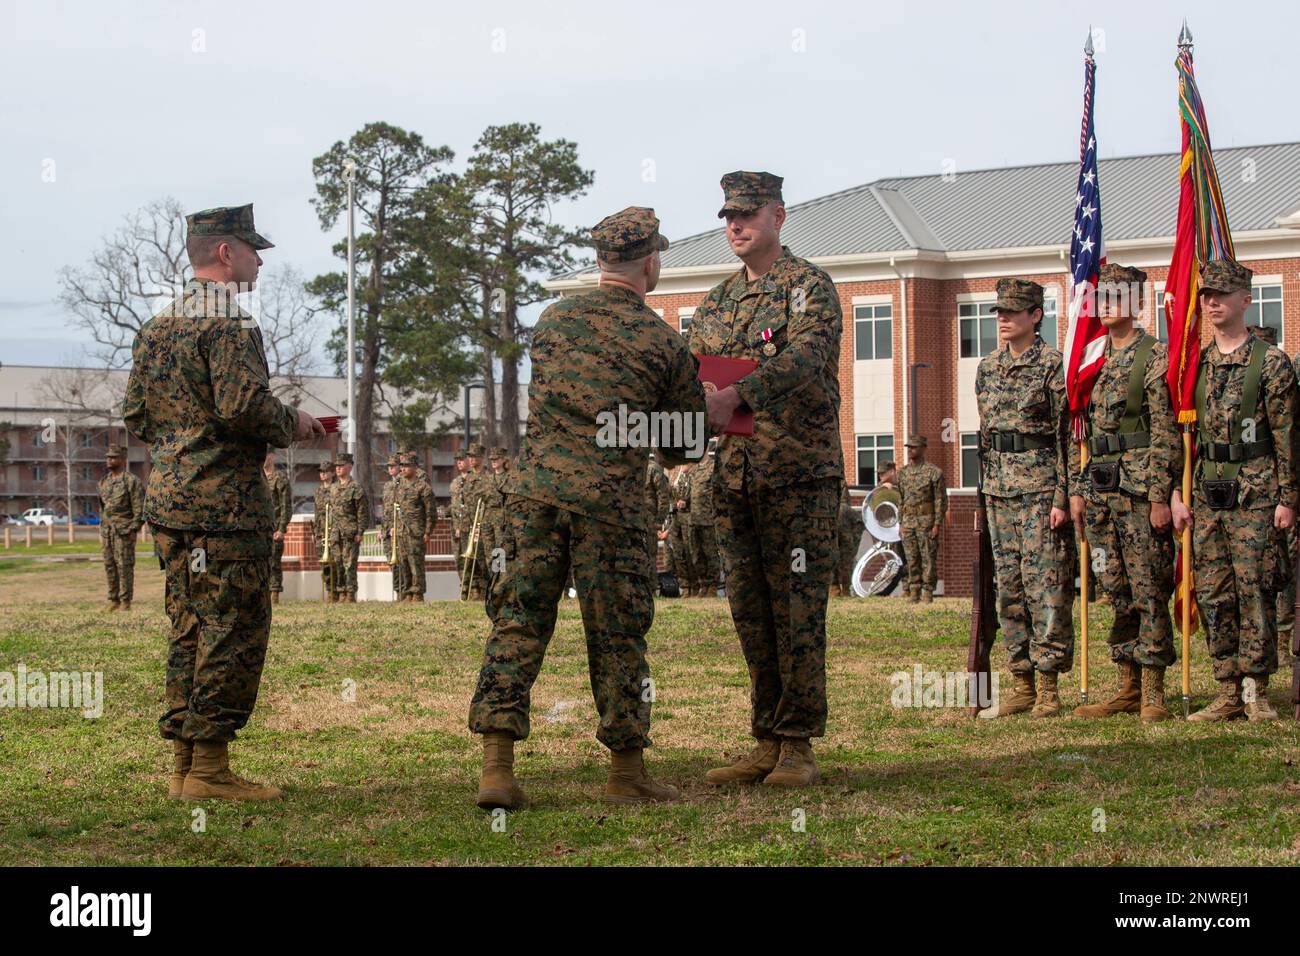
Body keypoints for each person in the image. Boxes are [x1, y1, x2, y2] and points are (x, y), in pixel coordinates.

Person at [468, 206, 706, 809]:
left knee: (518, 621)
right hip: (611, 504)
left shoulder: (551, 321)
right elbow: (681, 446)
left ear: (601, 261)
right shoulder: (662, 341)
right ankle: (626, 774)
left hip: (536, 495)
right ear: (651, 262)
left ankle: (497, 768)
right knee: (619, 635)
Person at [122, 202, 324, 800]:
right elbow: (244, 408)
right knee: (232, 626)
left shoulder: (159, 326)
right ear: (227, 253)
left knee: (188, 624)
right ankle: (210, 769)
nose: (260, 260)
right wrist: (298, 421)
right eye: (253, 249)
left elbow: (136, 416)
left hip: (170, 505)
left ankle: (185, 763)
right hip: (224, 508)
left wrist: (185, 438)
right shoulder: (229, 323)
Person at [689, 171, 843, 788]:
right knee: (751, 611)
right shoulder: (718, 301)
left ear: (779, 215)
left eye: (748, 214)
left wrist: (737, 392)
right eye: (728, 215)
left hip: (798, 476)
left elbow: (805, 360)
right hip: (735, 477)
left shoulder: (808, 287)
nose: (735, 225)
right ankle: (765, 739)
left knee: (797, 610)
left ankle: (798, 744)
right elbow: (698, 372)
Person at [1172, 259, 1299, 722]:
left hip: (1257, 492)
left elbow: (1287, 435)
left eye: (1222, 295)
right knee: (1214, 592)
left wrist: (1289, 498)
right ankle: (1226, 688)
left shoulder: (1272, 364)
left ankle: (1255, 690)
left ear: (1245, 299)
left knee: (1256, 590)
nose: (1212, 303)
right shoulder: (1194, 365)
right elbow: (1180, 437)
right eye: (1207, 295)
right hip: (1207, 492)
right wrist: (1174, 494)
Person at [1068, 264, 1180, 722]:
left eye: (1119, 295)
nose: (1109, 303)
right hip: (1100, 490)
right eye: (1104, 295)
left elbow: (1165, 433)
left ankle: (1153, 687)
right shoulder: (1094, 358)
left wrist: (1159, 498)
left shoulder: (1155, 357)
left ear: (1137, 302)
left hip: (1137, 491)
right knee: (1114, 587)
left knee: (1149, 585)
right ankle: (1127, 684)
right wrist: (1078, 491)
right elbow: (1084, 432)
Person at [975, 277, 1075, 720]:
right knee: (1009, 590)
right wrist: (983, 497)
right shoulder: (987, 367)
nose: (1004, 319)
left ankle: (1049, 686)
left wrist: (1062, 495)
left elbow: (1067, 437)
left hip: (1039, 491)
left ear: (1036, 316)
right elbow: (983, 436)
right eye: (999, 312)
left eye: (1013, 312)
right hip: (998, 492)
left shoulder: (1053, 366)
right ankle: (1021, 681)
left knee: (1046, 588)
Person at [898, 436, 946, 603]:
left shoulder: (934, 472)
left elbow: (940, 501)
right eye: (909, 447)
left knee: (928, 559)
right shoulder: (902, 473)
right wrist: (900, 523)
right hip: (909, 521)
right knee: (911, 558)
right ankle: (914, 591)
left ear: (923, 448)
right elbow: (900, 499)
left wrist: (937, 524)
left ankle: (927, 592)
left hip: (927, 522)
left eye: (914, 447)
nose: (910, 450)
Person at [97, 443, 144, 612]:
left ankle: (126, 602)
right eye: (108, 457)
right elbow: (102, 508)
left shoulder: (131, 481)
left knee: (124, 566)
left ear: (123, 460)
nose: (109, 460)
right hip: (107, 531)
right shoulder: (103, 482)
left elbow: (140, 509)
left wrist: (133, 529)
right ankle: (113, 600)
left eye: (113, 457)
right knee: (109, 565)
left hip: (124, 531)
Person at [395, 452, 435, 602]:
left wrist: (428, 531)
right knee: (404, 562)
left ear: (415, 467)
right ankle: (407, 592)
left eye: (407, 466)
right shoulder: (399, 487)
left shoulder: (423, 488)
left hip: (416, 532)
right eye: (402, 466)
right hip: (402, 531)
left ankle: (417, 593)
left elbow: (431, 512)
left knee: (416, 563)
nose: (403, 469)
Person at [330, 452, 369, 603]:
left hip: (350, 532)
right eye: (337, 466)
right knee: (338, 562)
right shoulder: (333, 488)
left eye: (341, 466)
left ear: (349, 467)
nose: (338, 468)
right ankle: (341, 592)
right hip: (335, 532)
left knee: (350, 563)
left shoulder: (356, 488)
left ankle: (351, 593)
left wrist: (360, 531)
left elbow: (363, 512)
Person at [684, 444, 719, 597]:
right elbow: (688, 493)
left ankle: (712, 585)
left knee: (710, 553)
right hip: (694, 518)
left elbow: (717, 493)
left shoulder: (713, 467)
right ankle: (702, 583)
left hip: (708, 519)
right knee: (696, 554)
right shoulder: (694, 470)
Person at [263, 448, 292, 605]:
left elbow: (285, 505)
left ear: (272, 456)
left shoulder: (279, 479)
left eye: (266, 455)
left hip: (274, 529)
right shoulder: (257, 477)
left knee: (274, 563)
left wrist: (282, 528)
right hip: (260, 528)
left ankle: (274, 594)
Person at [381, 454, 407, 600]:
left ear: (400, 467)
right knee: (392, 561)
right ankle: (398, 590)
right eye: (389, 466)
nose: (390, 468)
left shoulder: (404, 484)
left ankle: (404, 591)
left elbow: (404, 509)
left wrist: (397, 526)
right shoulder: (387, 486)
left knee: (402, 562)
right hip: (387, 529)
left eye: (393, 466)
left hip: (399, 528)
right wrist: (382, 529)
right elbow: (386, 509)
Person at [313, 460, 336, 602]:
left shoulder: (337, 488)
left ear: (332, 473)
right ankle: (329, 590)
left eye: (325, 471)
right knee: (324, 562)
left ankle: (338, 590)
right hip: (322, 530)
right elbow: (316, 513)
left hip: (334, 529)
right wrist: (316, 532)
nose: (323, 474)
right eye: (321, 472)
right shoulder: (318, 491)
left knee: (336, 562)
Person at [668, 463, 693, 594]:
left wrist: (686, 500)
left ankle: (695, 585)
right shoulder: (673, 471)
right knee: (678, 552)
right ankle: (685, 586)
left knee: (690, 550)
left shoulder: (693, 470)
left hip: (689, 516)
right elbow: (670, 495)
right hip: (675, 516)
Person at [832, 482, 860, 597]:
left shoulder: (831, 510)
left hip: (834, 541)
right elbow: (858, 528)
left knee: (832, 562)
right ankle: (846, 590)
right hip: (847, 541)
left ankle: (834, 589)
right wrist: (855, 546)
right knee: (846, 565)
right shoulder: (850, 511)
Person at [646, 450, 671, 572]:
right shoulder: (631, 469)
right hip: (633, 520)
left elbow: (663, 497)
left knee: (650, 557)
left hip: (649, 521)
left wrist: (659, 520)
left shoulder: (653, 469)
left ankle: (651, 588)